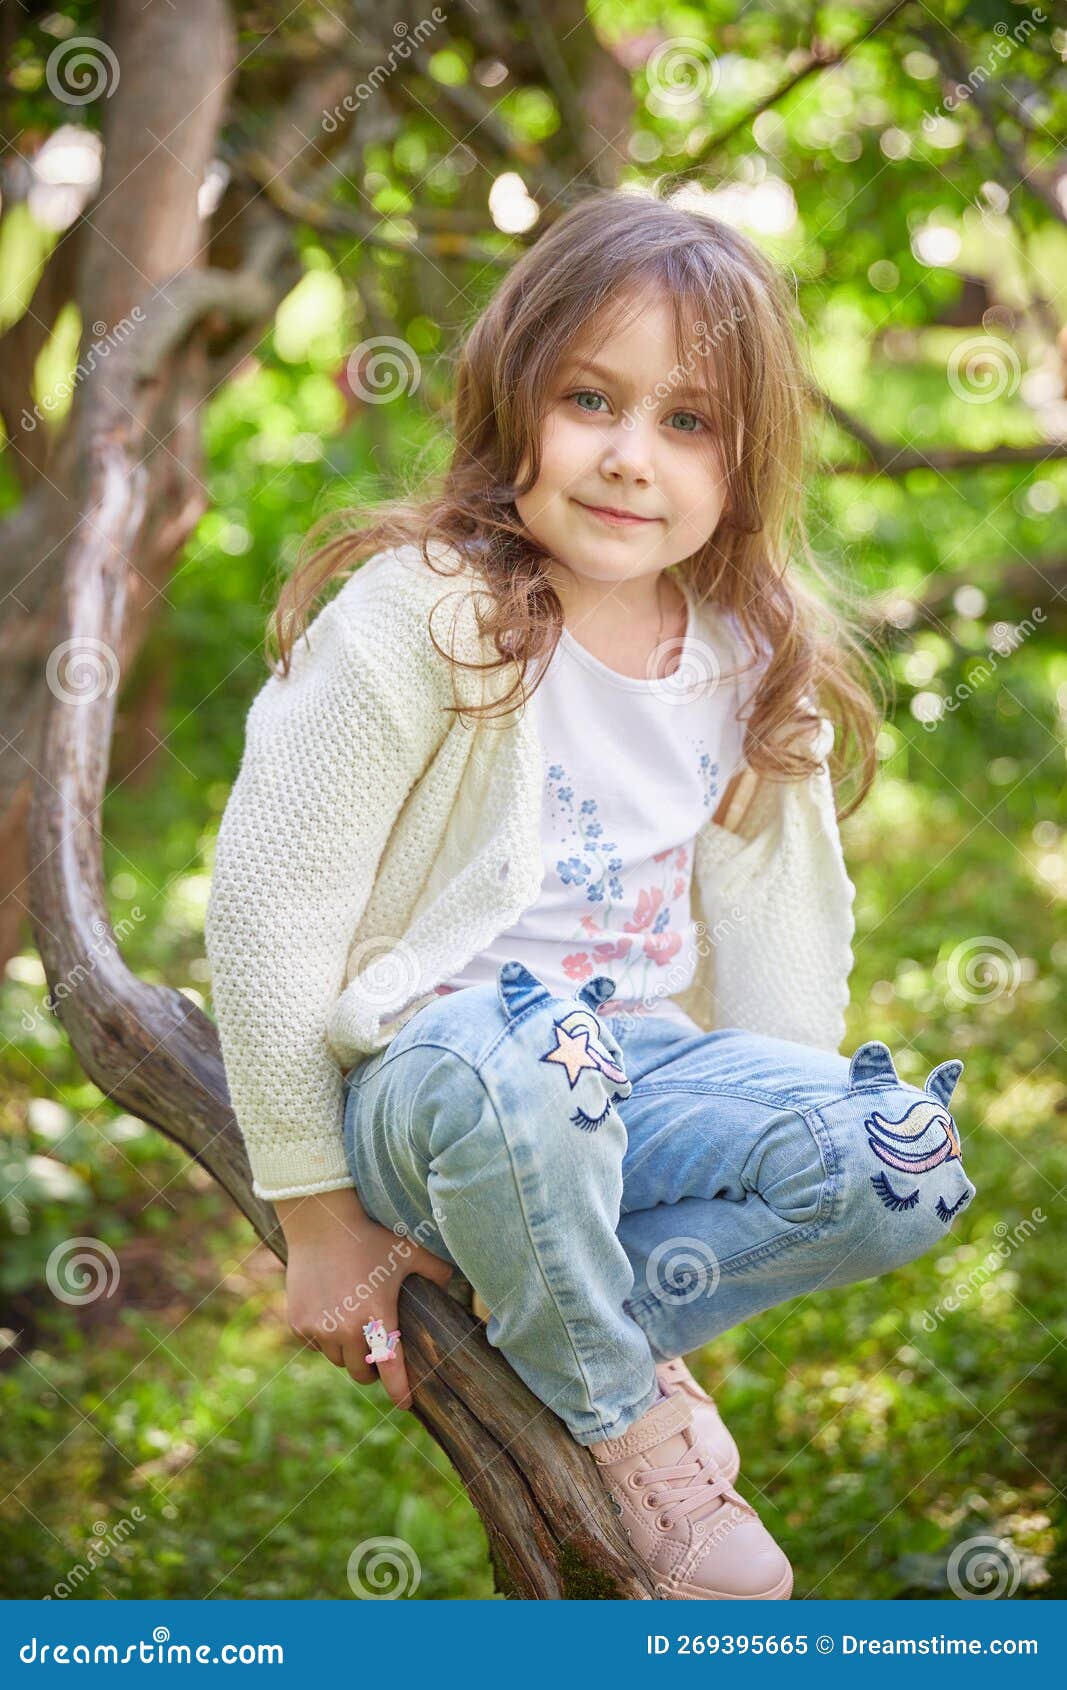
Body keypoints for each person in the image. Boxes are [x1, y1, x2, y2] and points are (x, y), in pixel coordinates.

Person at [204, 189, 976, 1601]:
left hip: (637, 1071)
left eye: (688, 421)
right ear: (516, 399)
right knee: (535, 1062)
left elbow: (782, 938)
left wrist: (775, 1129)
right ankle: (627, 1418)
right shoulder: (421, 616)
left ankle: (567, 1309)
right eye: (591, 401)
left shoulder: (748, 655)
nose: (630, 457)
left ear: (748, 459)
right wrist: (317, 1219)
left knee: (905, 1156)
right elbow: (271, 902)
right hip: (439, 1075)